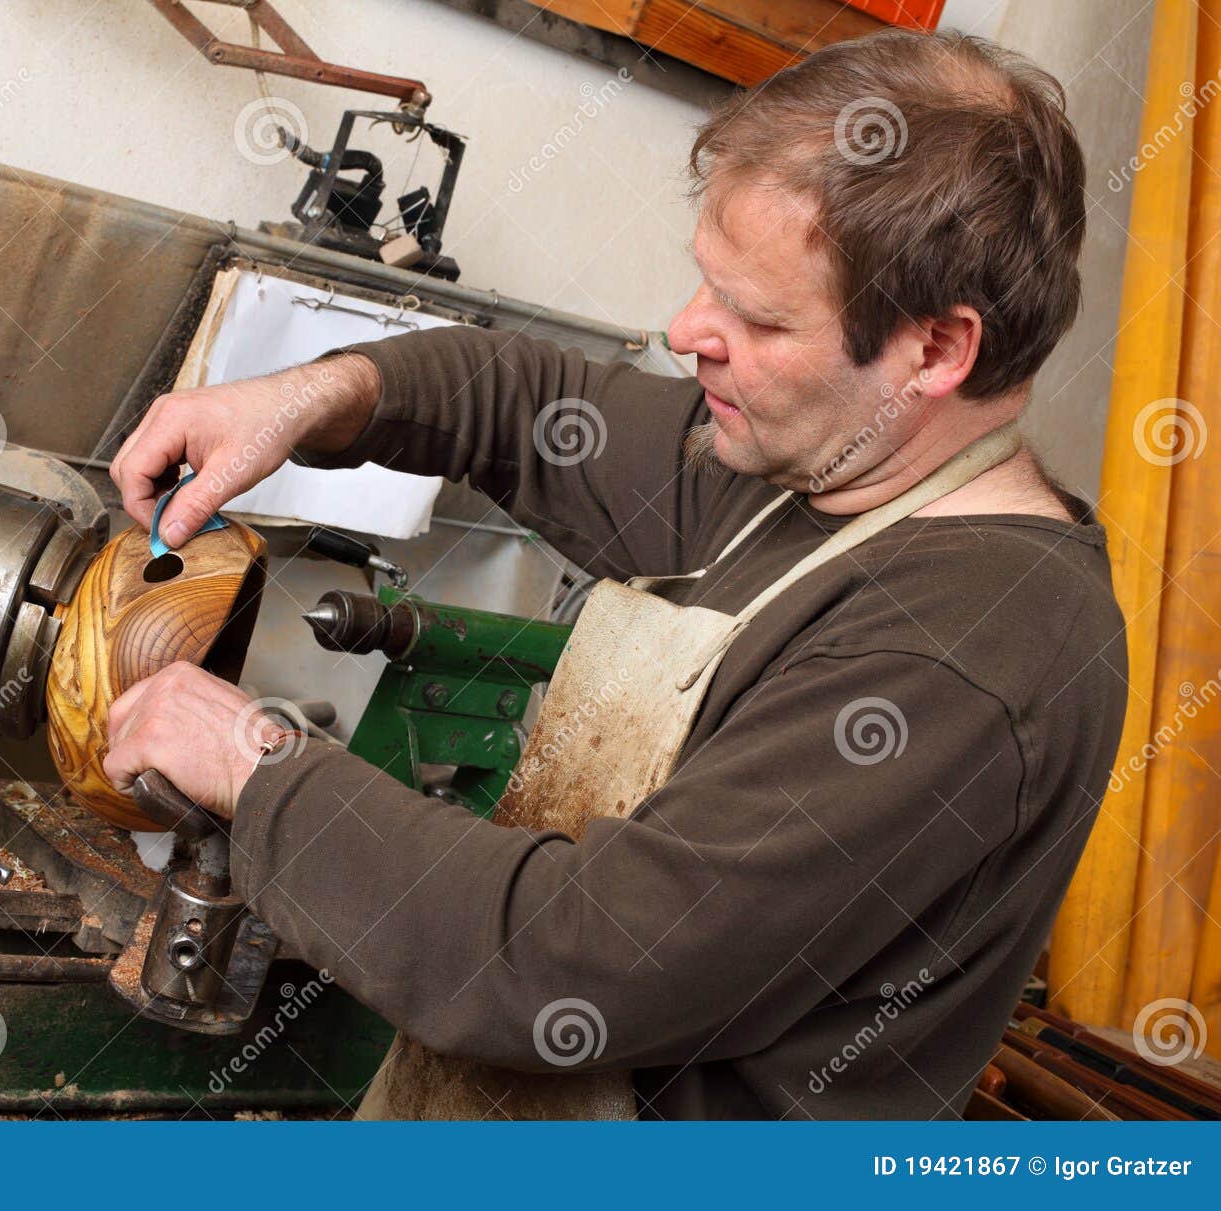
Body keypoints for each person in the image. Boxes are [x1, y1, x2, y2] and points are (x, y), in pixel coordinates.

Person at [102, 30, 1127, 1119]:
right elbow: (525, 402)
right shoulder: (813, 466)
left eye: (759, 318)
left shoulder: (966, 650)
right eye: (705, 285)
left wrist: (259, 767)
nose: (689, 333)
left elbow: (571, 962)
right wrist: (307, 396)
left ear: (934, 351)